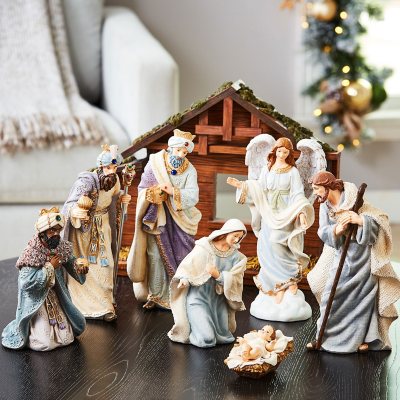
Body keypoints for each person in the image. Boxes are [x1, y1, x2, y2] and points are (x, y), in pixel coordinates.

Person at [307, 171, 400, 353]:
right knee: (330, 296)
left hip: (363, 260)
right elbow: (323, 231)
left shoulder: (354, 198)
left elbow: (378, 219)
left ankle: (363, 340)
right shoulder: (325, 206)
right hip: (341, 256)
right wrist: (337, 230)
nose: (315, 193)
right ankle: (323, 337)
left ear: (328, 186)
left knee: (362, 302)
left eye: (317, 189)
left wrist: (360, 220)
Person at [227, 137, 314, 321]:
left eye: (285, 152)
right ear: (274, 151)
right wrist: (242, 185)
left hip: (286, 212)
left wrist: (301, 213)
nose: (281, 154)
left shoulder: (293, 172)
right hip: (268, 212)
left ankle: (289, 282)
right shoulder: (268, 169)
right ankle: (275, 287)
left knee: (279, 244)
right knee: (266, 246)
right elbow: (258, 187)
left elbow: (298, 194)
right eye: (279, 151)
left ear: (289, 154)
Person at [127, 129, 201, 310]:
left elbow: (193, 196)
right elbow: (143, 188)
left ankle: (178, 294)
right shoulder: (155, 164)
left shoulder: (190, 170)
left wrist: (173, 191)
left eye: (185, 152)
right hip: (157, 217)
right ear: (171, 148)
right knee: (155, 255)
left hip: (180, 219)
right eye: (178, 150)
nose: (181, 155)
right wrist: (152, 194)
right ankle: (157, 295)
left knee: (182, 254)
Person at [2, 208, 88, 351]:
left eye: (58, 231)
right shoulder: (32, 252)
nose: (56, 234)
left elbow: (71, 262)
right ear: (42, 233)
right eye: (52, 231)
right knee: (44, 342)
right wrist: (49, 267)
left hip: (56, 295)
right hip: (38, 300)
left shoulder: (60, 246)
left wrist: (79, 267)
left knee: (67, 337)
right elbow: (26, 282)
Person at [62, 144, 131, 321]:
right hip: (84, 232)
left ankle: (105, 305)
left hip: (103, 227)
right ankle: (83, 306)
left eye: (114, 168)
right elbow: (69, 205)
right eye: (108, 168)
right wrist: (75, 211)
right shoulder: (86, 182)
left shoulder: (114, 181)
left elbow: (114, 198)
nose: (111, 172)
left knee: (106, 266)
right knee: (85, 266)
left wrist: (121, 199)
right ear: (100, 167)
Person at [168, 219, 247, 348]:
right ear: (226, 232)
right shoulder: (205, 247)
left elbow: (237, 280)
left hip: (218, 302)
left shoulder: (238, 258)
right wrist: (185, 279)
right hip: (198, 299)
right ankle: (191, 333)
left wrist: (218, 275)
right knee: (207, 339)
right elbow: (189, 265)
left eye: (240, 237)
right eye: (235, 236)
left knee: (225, 338)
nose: (237, 240)